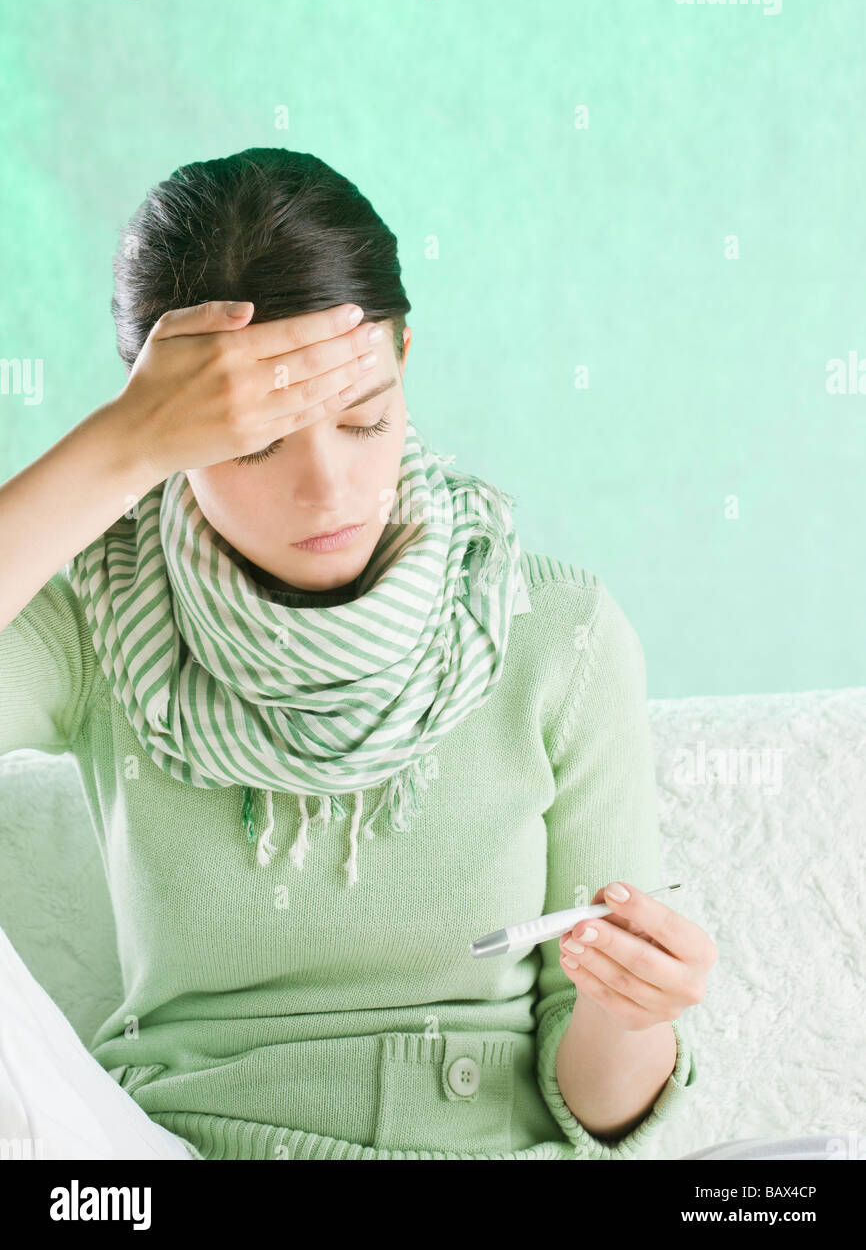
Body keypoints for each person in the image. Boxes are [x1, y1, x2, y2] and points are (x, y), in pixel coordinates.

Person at [0, 147, 715, 1161]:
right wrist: (119, 447)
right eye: (254, 441)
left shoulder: (558, 632)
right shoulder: (100, 620)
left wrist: (631, 1008)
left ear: (404, 364)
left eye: (364, 417)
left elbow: (597, 1108)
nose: (329, 490)